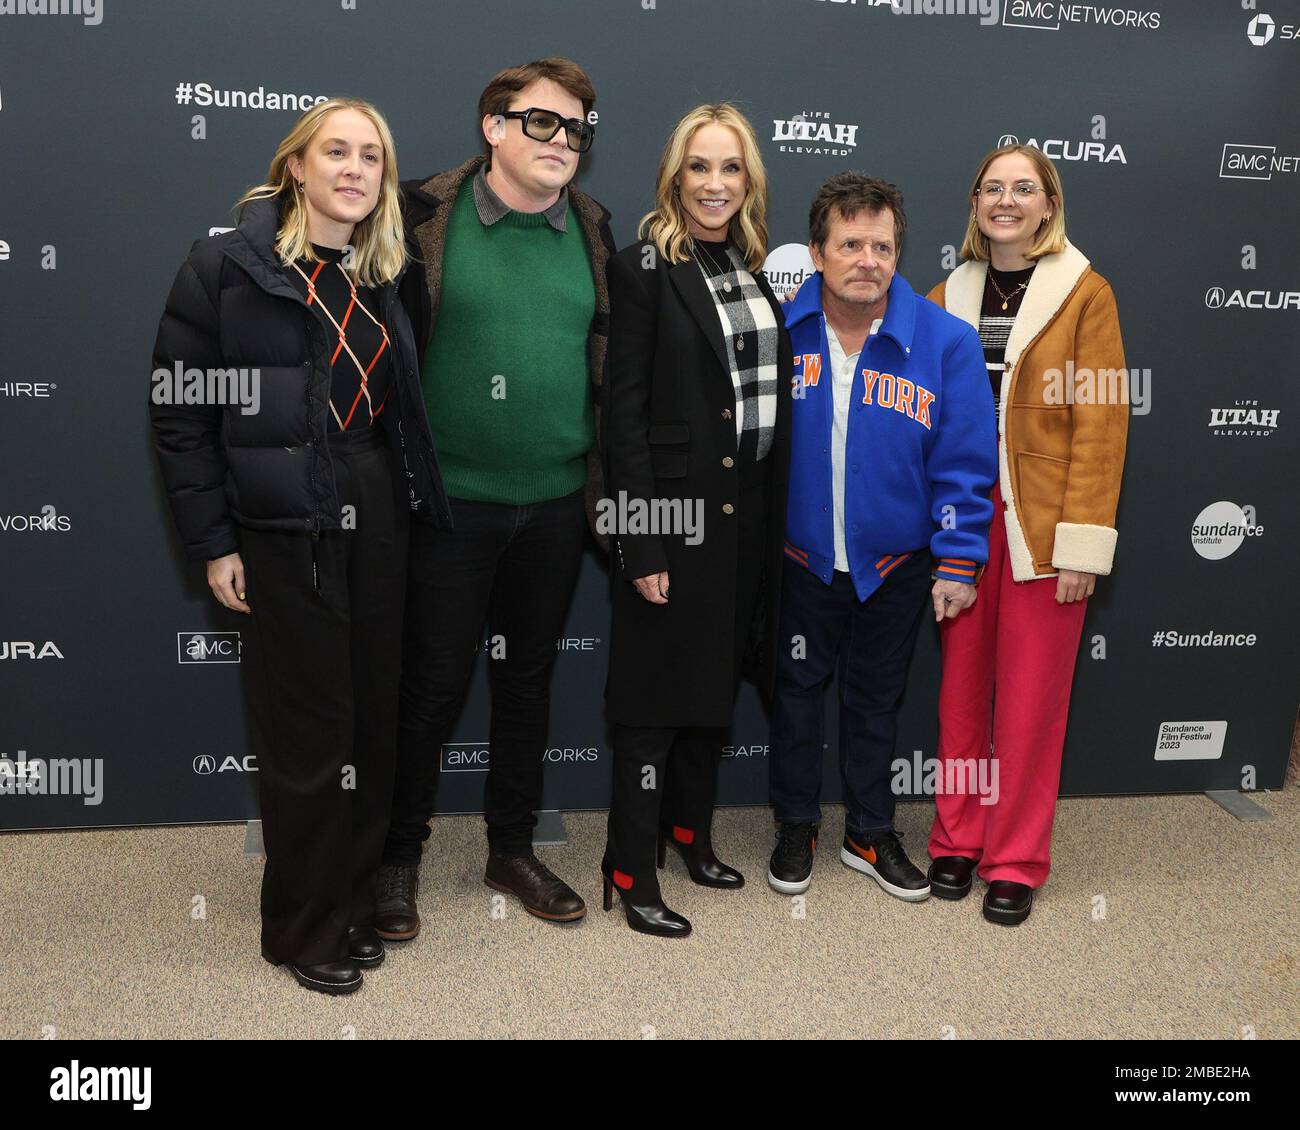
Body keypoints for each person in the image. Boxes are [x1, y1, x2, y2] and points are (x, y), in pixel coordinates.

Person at [150, 99, 448, 994]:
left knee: (371, 726)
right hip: (282, 531)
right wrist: (214, 542)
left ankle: (354, 905)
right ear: (296, 166)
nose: (354, 169)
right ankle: (301, 928)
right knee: (308, 737)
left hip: (376, 517)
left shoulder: (383, 275)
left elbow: (399, 411)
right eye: (337, 152)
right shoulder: (224, 268)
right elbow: (179, 415)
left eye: (371, 157)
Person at [375, 58, 616, 936]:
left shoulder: (592, 227)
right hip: (448, 506)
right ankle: (395, 860)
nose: (563, 141)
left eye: (578, 128)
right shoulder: (417, 214)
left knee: (527, 686)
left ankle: (510, 850)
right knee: (431, 688)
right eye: (542, 122)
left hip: (555, 505)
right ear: (493, 126)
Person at [768, 173, 997, 903]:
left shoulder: (947, 341)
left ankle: (869, 830)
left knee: (876, 702)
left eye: (882, 245)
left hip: (896, 564)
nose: (867, 259)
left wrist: (959, 558)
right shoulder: (777, 330)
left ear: (898, 252)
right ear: (817, 252)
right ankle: (796, 823)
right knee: (797, 698)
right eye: (850, 244)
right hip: (798, 562)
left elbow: (964, 460)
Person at [601, 103, 792, 937]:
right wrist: (639, 535)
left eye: (731, 169)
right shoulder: (642, 266)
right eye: (699, 168)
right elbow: (622, 414)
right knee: (653, 705)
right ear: (674, 177)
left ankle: (689, 833)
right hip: (671, 517)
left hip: (744, 514)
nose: (715, 184)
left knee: (710, 686)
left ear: (749, 182)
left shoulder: (747, 268)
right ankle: (629, 862)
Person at [925, 144, 1128, 925]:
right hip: (964, 527)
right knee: (961, 697)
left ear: (1049, 204)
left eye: (1023, 189)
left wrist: (1082, 543)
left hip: (1044, 533)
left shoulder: (1086, 293)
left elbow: (1103, 426)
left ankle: (1014, 858)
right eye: (992, 188)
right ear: (975, 202)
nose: (1005, 200)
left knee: (1030, 705)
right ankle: (957, 838)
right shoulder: (948, 292)